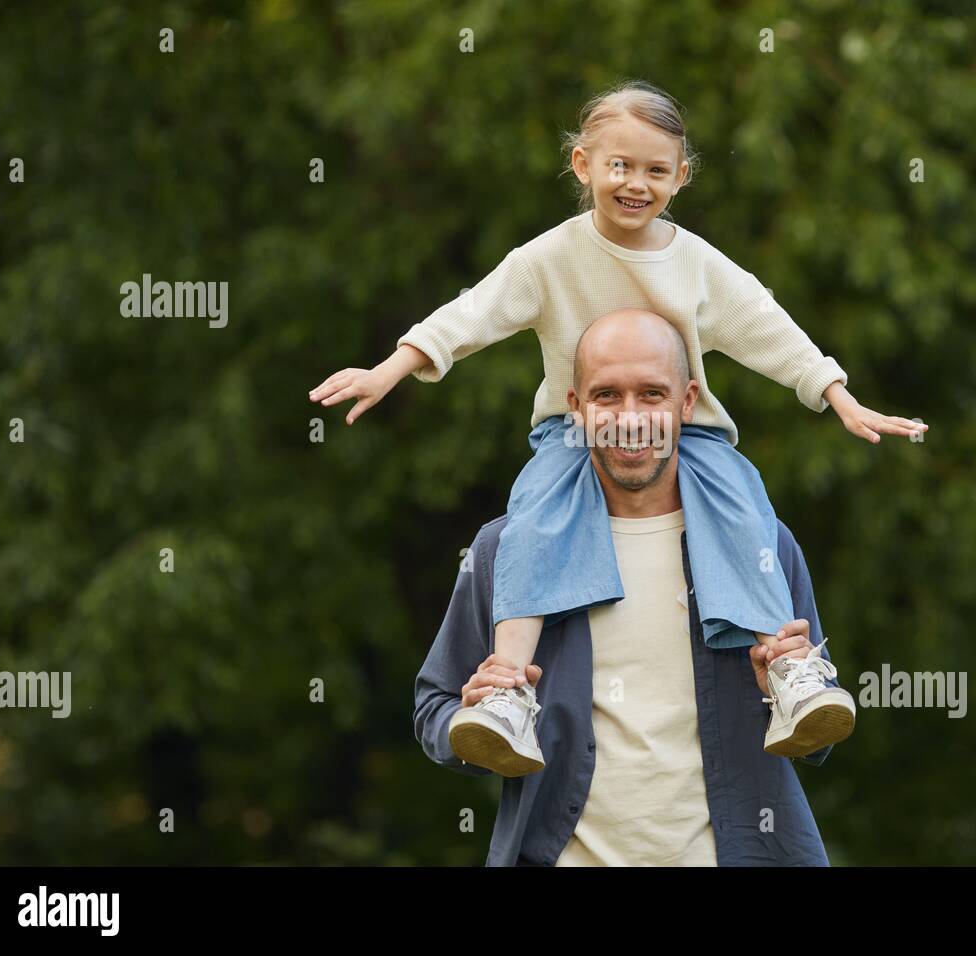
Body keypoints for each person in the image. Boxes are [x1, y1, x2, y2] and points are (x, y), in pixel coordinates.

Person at [310, 80, 927, 775]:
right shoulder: (552, 257)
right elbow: (471, 314)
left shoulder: (693, 262)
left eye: (656, 170)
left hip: (685, 432)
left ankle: (787, 673)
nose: (637, 184)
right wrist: (390, 369)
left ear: (681, 176)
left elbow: (765, 326)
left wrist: (835, 393)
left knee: (742, 505)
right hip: (572, 433)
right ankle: (508, 693)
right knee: (535, 517)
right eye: (620, 166)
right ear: (583, 166)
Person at [415, 309, 852, 865]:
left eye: (651, 394)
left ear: (687, 402)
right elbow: (434, 706)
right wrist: (468, 719)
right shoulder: (508, 549)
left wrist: (774, 693)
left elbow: (821, 736)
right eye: (606, 395)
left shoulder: (759, 542)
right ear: (574, 406)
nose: (630, 418)